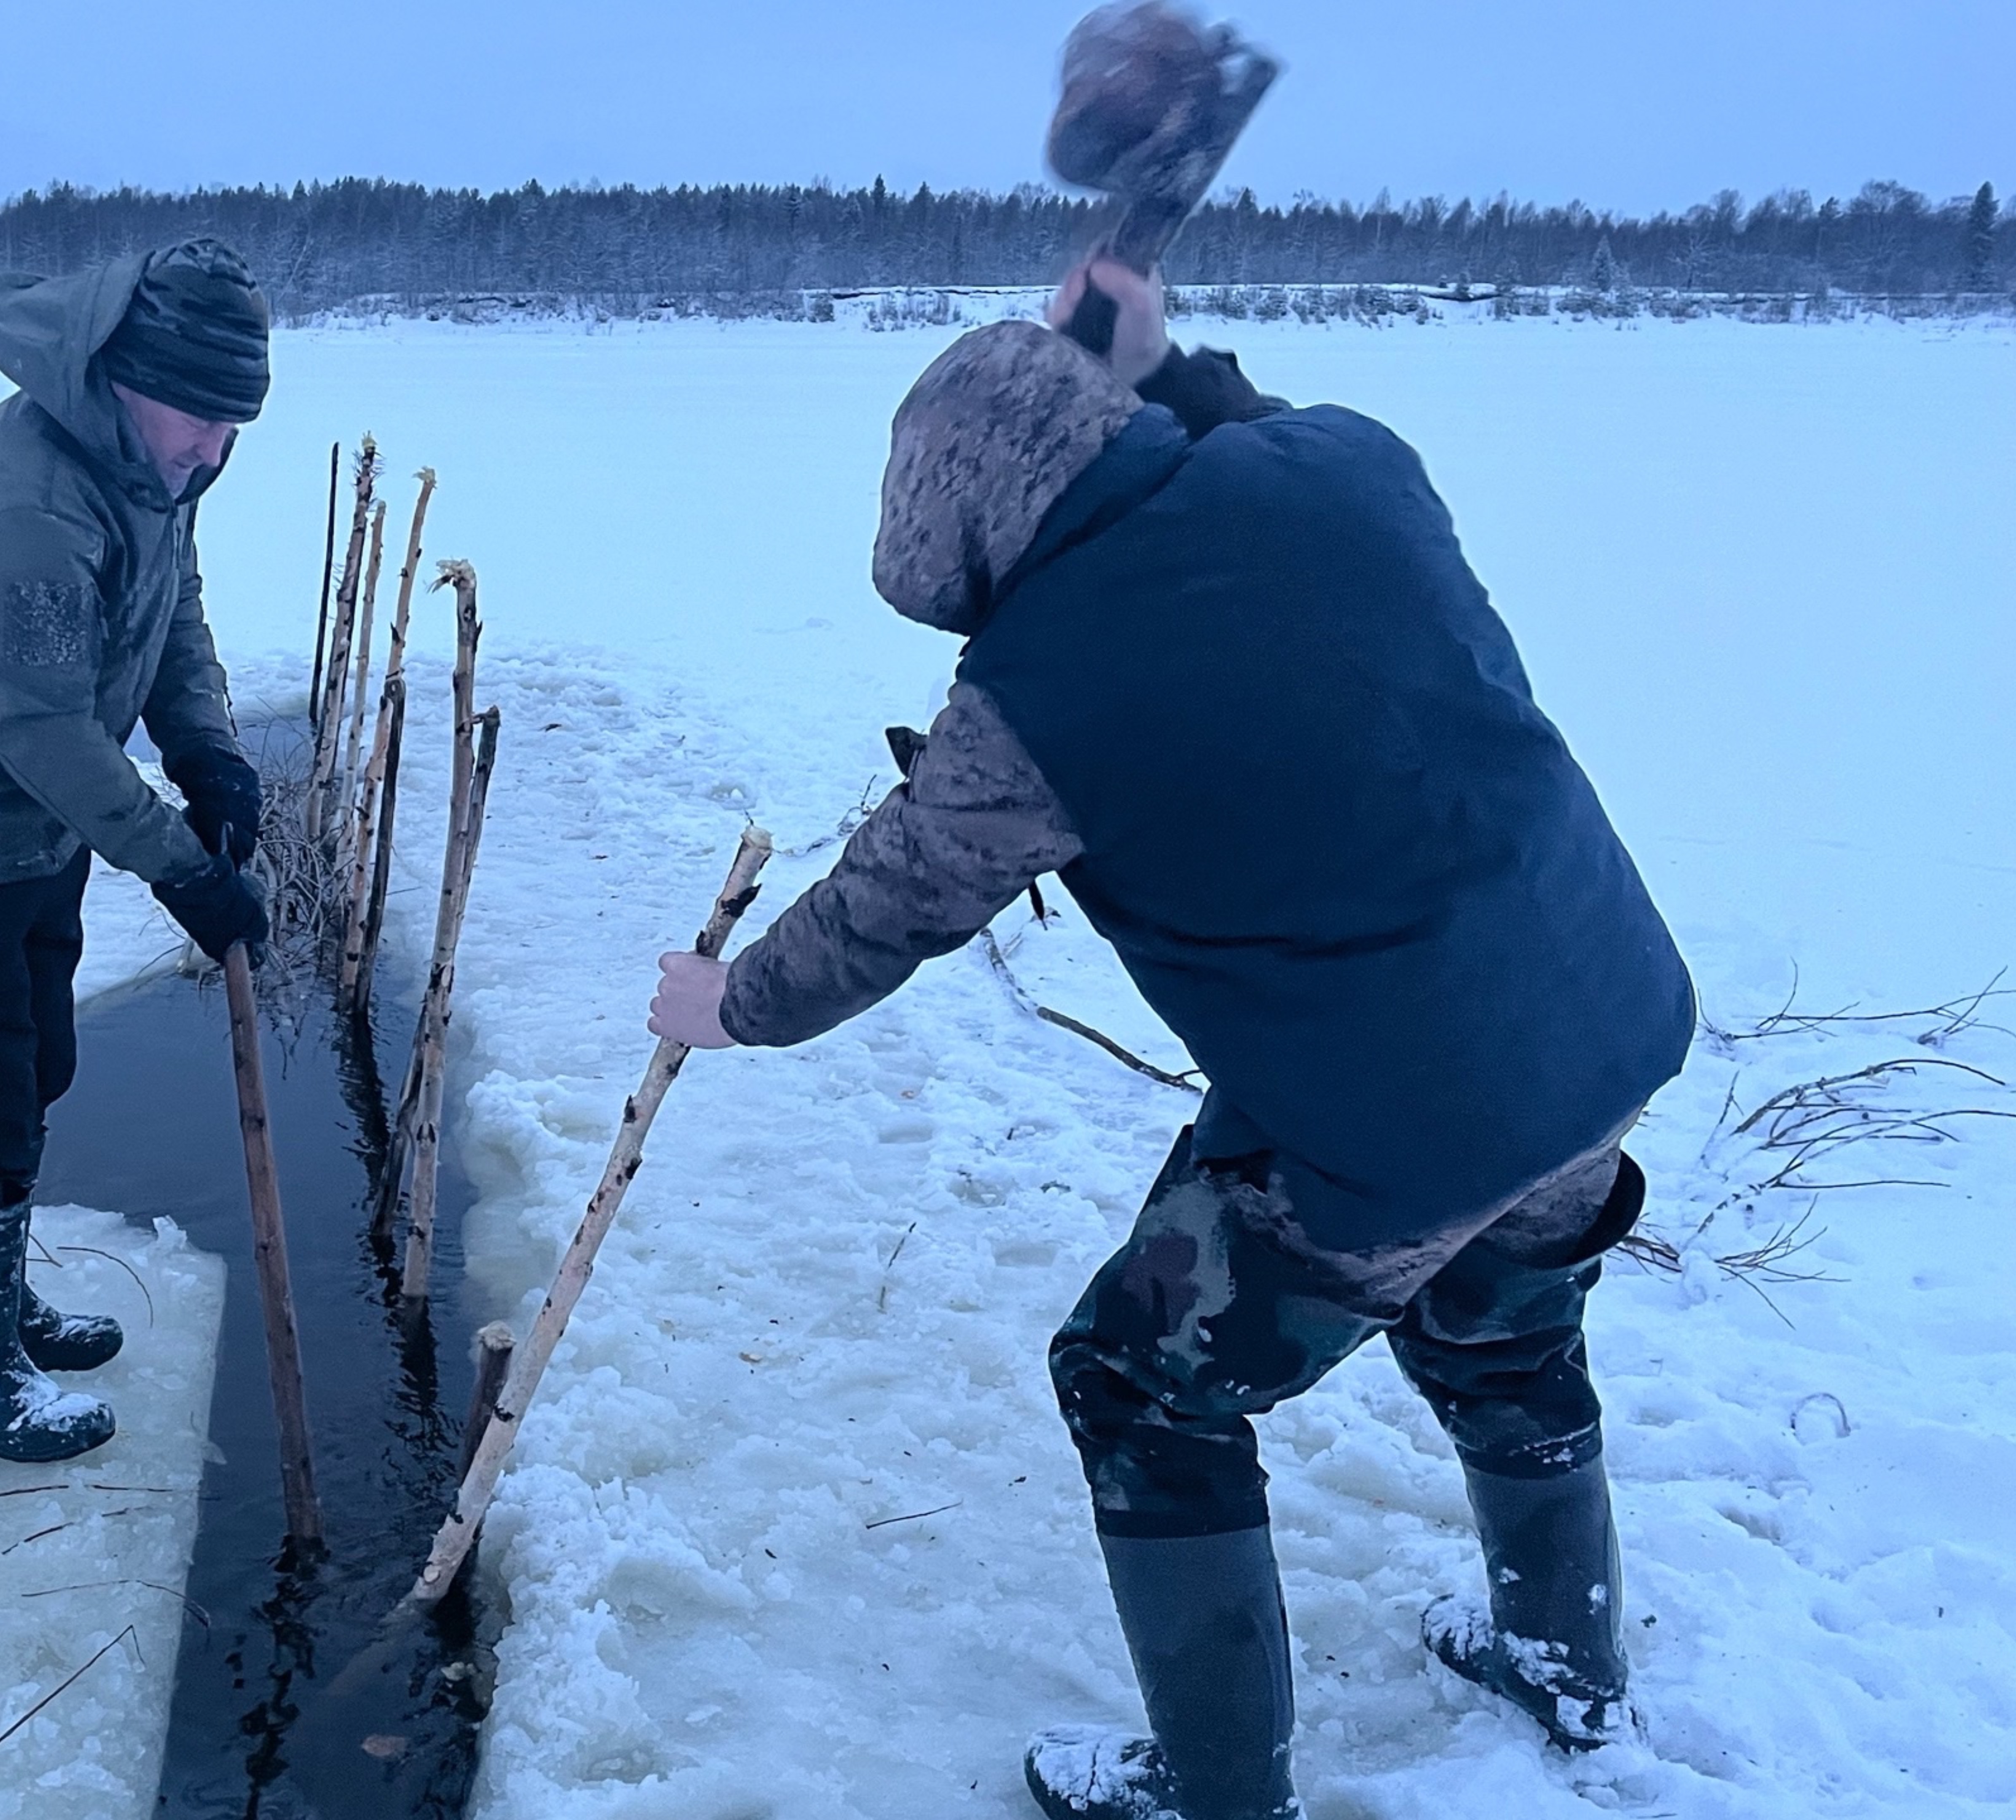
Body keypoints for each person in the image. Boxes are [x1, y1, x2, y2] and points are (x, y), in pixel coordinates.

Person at [647, 262, 1694, 1820]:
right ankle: (1569, 1668)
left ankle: (1219, 1798)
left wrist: (731, 1004)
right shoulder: (1349, 462)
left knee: (1140, 1386)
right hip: (1592, 1015)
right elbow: (1237, 432)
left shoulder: (1039, 698)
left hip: (1394, 1114)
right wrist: (1165, 363)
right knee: (1507, 1324)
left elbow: (890, 904)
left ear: (969, 542)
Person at [0, 237, 278, 1465]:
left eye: (234, 428)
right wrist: (183, 868)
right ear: (126, 381)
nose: (213, 453)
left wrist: (208, 752)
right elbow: (42, 728)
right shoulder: (23, 502)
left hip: (31, 820)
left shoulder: (149, 466)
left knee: (32, 1071)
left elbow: (172, 610)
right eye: (201, 421)